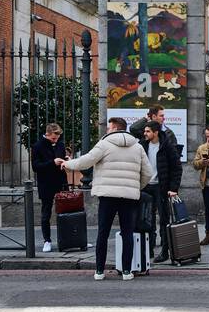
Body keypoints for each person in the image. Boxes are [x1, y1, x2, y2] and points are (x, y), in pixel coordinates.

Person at [64, 117, 152, 280]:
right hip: (129, 196)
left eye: (109, 128)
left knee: (103, 233)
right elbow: (147, 172)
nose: (107, 130)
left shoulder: (104, 144)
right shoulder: (138, 147)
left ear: (115, 128)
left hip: (107, 195)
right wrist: (135, 186)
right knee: (127, 233)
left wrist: (67, 164)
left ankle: (99, 271)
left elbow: (86, 161)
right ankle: (127, 271)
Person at [139, 118, 182, 263]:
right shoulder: (142, 145)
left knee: (164, 219)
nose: (145, 133)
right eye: (144, 131)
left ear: (156, 132)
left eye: (148, 131)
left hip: (161, 187)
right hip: (146, 186)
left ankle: (165, 251)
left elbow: (177, 168)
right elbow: (133, 129)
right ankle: (148, 249)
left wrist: (173, 188)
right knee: (146, 219)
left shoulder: (167, 146)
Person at [30, 122, 69, 253]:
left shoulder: (60, 144)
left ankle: (71, 238)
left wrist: (66, 160)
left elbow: (61, 157)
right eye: (53, 138)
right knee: (46, 213)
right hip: (46, 183)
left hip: (61, 181)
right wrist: (52, 162)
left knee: (66, 211)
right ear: (47, 134)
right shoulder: (37, 146)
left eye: (57, 138)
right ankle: (47, 240)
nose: (56, 140)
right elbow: (35, 166)